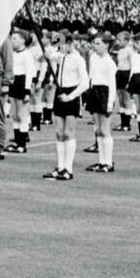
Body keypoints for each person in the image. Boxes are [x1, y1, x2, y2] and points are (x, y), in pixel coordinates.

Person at [44, 30, 87, 180]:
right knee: (58, 132)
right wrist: (55, 40)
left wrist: (70, 97)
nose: (59, 48)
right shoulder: (60, 56)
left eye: (62, 45)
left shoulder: (78, 59)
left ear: (69, 44)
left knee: (68, 133)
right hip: (60, 92)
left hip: (71, 94)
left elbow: (85, 83)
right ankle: (60, 167)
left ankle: (68, 169)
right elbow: (48, 54)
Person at [84, 33, 117, 173]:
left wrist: (110, 103)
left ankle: (108, 162)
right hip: (95, 91)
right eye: (94, 43)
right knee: (97, 129)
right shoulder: (93, 58)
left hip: (104, 93)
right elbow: (91, 77)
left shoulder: (110, 62)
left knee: (105, 130)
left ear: (106, 45)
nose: (95, 46)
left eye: (98, 44)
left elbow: (112, 84)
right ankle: (101, 161)